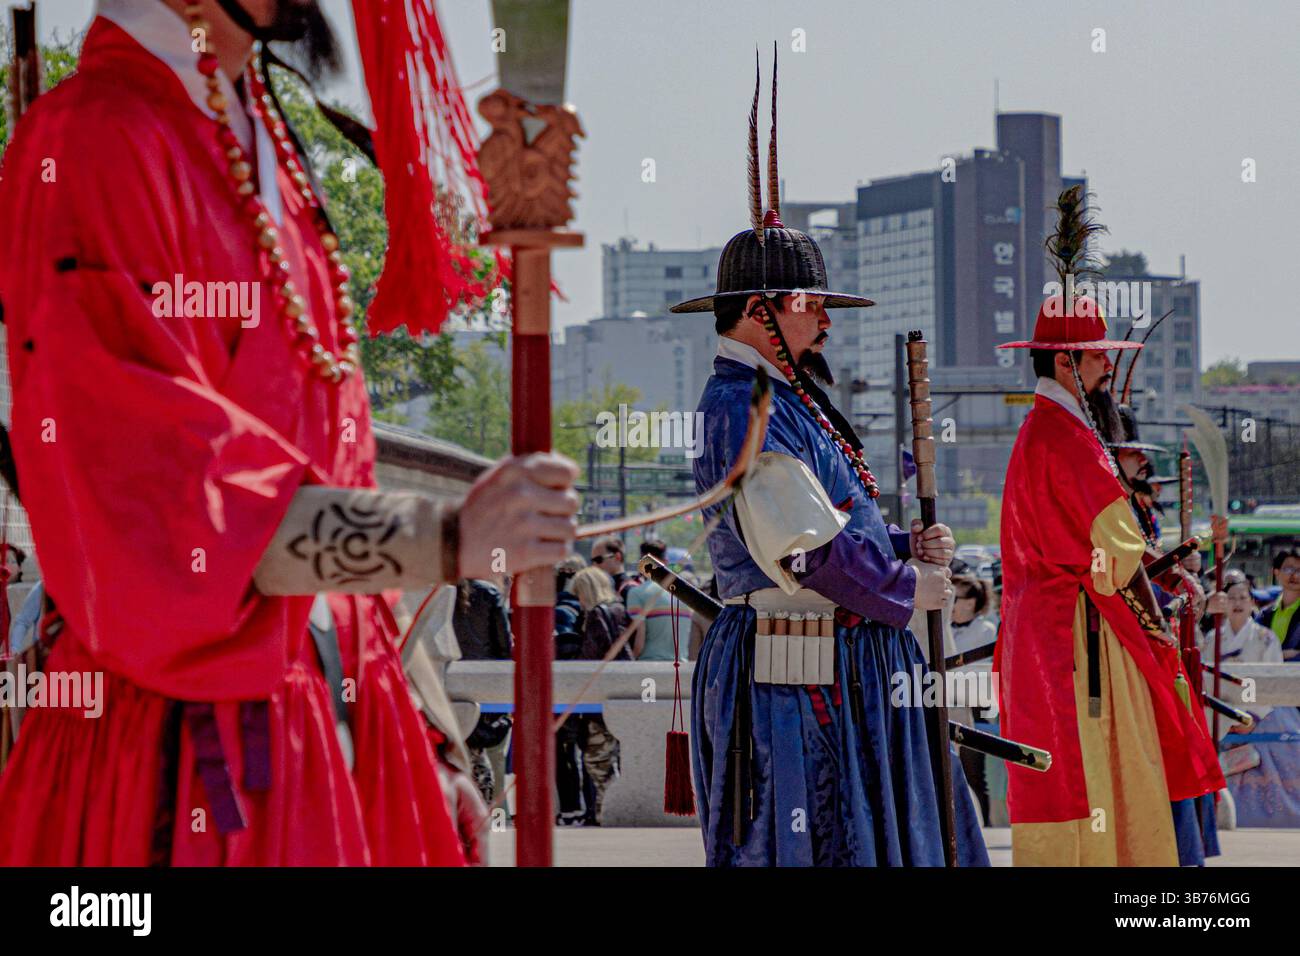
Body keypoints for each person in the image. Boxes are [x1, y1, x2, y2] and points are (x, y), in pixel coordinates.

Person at [0, 0, 578, 866]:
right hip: (180, 757)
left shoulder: (254, 126)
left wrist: (416, 737)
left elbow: (332, 459)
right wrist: (445, 534)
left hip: (333, 722)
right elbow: (157, 498)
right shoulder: (88, 140)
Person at [670, 52, 986, 867]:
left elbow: (833, 531)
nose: (826, 326)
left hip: (839, 655)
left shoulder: (790, 400)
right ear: (757, 313)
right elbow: (804, 546)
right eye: (810, 307)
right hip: (795, 665)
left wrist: (901, 554)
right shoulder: (741, 406)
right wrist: (906, 585)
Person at [996, 185, 1221, 866]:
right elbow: (1118, 558)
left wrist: (1150, 560)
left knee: (1068, 769)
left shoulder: (1046, 430)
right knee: (1107, 767)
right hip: (1081, 630)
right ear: (1064, 361)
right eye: (1095, 354)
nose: (1106, 364)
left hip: (1044, 623)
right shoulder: (1065, 438)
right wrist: (1159, 606)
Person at [1204, 573, 1300, 826]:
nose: (1237, 602)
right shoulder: (1212, 639)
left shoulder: (1266, 638)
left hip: (1262, 713)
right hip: (1220, 712)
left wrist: (1250, 716)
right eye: (1231, 597)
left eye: (1243, 598)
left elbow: (1273, 679)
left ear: (1252, 604)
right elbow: (1205, 681)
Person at [568, 566, 629, 825]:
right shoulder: (618, 608)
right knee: (614, 758)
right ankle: (611, 812)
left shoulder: (595, 615)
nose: (578, 601)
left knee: (597, 761)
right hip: (621, 690)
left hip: (598, 697)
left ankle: (607, 815)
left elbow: (591, 656)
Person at [453, 579, 513, 803]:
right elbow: (503, 643)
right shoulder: (488, 593)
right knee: (482, 751)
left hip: (444, 676)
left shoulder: (433, 590)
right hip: (482, 679)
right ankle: (487, 808)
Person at [626, 538, 694, 661]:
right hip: (680, 667)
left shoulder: (637, 593)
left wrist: (629, 663)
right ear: (666, 561)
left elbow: (640, 638)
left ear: (641, 563)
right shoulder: (686, 593)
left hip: (648, 665)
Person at [1257, 547, 1300, 659]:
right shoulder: (1264, 614)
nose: (1295, 575)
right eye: (1289, 569)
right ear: (1276, 572)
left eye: (1299, 571)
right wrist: (1283, 655)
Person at [590, 535, 636, 601]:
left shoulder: (629, 589)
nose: (594, 565)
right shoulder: (602, 588)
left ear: (617, 557)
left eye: (598, 560)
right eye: (592, 561)